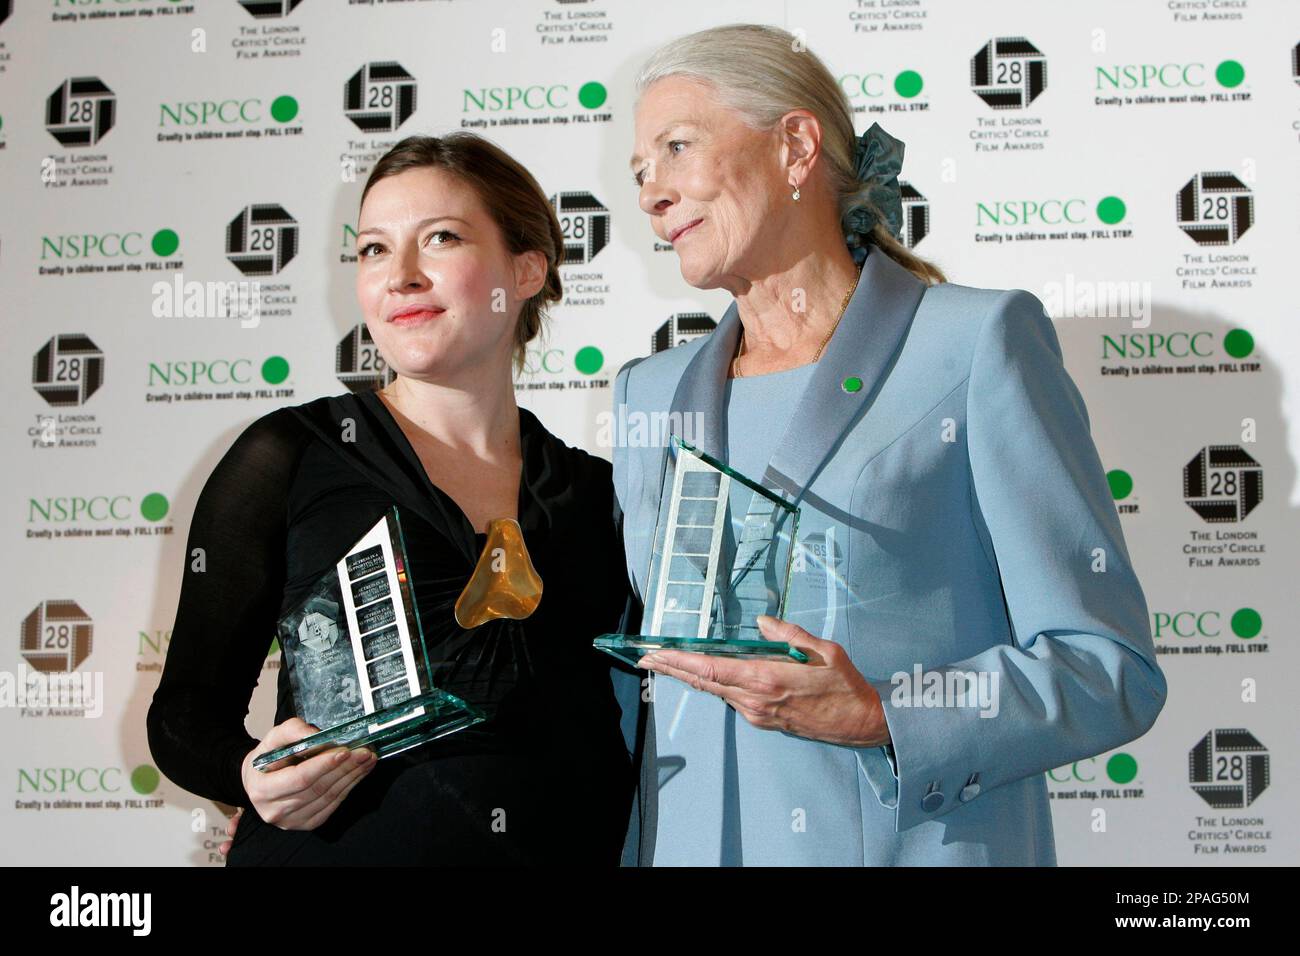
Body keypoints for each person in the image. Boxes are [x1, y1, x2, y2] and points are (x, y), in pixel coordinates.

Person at [613, 23, 1168, 865]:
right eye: (640, 171)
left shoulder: (976, 344)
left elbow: (1104, 667)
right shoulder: (646, 394)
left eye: (677, 148)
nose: (652, 192)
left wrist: (883, 715)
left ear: (796, 146)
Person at [147, 132, 635, 865]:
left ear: (526, 269)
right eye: (374, 249)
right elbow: (183, 717)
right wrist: (248, 774)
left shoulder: (599, 493)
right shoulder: (289, 454)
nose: (401, 276)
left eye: (440, 239)